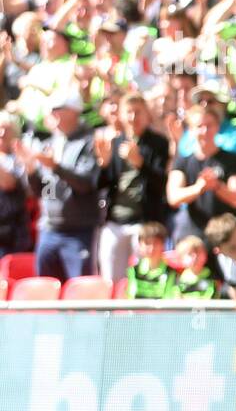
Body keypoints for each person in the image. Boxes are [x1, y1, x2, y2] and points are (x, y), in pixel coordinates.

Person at [21, 95, 101, 280]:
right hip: (49, 229)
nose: (53, 114)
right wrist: (31, 171)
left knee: (80, 291)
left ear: (74, 111)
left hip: (79, 230)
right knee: (46, 289)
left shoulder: (89, 142)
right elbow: (43, 191)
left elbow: (85, 184)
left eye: (58, 109)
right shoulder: (49, 143)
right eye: (51, 110)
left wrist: (55, 166)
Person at [97, 92, 171, 283]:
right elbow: (99, 185)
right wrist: (103, 165)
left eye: (138, 112)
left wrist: (140, 163)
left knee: (142, 277)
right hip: (115, 221)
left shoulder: (158, 143)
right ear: (121, 115)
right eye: (128, 112)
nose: (133, 118)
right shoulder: (114, 142)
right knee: (110, 279)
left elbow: (162, 184)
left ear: (147, 114)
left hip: (144, 221)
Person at [166, 104, 236, 243]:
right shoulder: (182, 161)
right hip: (196, 234)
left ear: (217, 127)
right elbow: (173, 197)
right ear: (191, 130)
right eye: (199, 126)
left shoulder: (233, 160)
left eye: (209, 125)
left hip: (228, 236)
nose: (204, 131)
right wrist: (199, 188)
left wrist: (217, 186)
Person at [0, 113, 32, 261]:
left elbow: (9, 183)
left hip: (13, 234)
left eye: (6, 130)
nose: (2, 134)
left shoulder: (21, 157)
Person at [125, 221, 176, 300]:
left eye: (156, 243)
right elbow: (130, 298)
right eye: (147, 243)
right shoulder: (133, 271)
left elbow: (168, 300)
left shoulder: (171, 273)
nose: (152, 248)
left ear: (163, 244)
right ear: (140, 244)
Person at [170, 234, 220, 300]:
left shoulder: (211, 277)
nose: (195, 257)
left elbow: (211, 297)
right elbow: (176, 298)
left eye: (198, 252)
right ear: (181, 258)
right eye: (190, 254)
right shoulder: (179, 280)